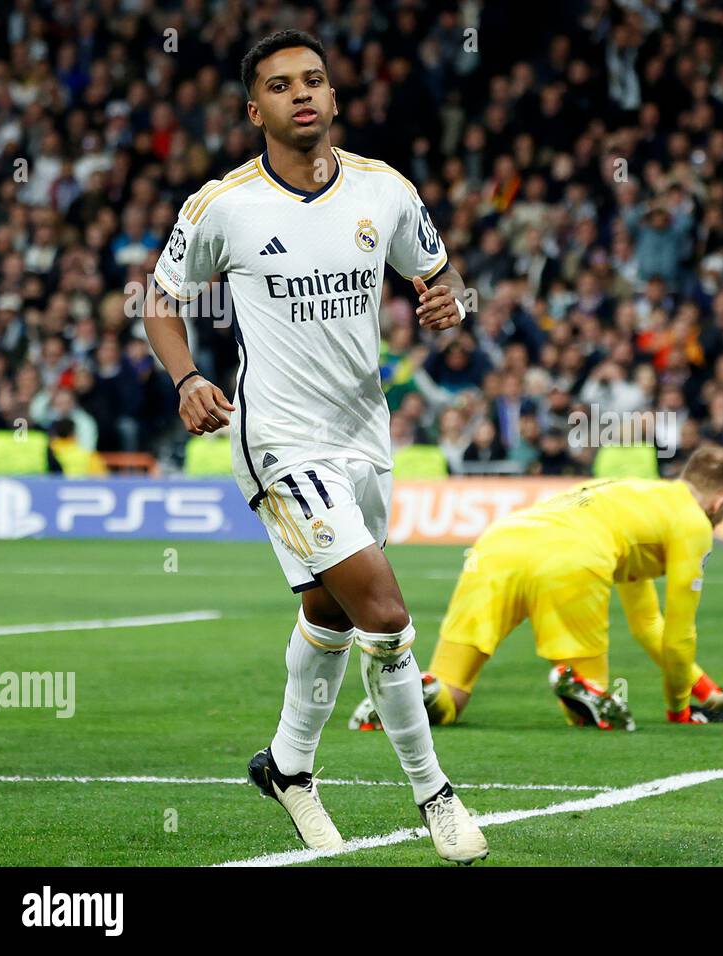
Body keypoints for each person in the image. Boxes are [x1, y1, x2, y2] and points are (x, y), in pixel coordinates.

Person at [144, 30, 487, 863]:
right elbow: (161, 299)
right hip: (279, 441)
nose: (301, 95)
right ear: (251, 108)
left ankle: (288, 767)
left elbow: (438, 276)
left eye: (314, 81)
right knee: (387, 613)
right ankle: (435, 795)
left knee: (328, 611)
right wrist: (188, 377)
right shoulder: (223, 205)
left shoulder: (387, 192)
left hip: (363, 437)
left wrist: (448, 304)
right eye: (279, 85)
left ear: (334, 99)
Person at [352, 445, 723, 731]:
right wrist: (681, 710)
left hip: (499, 543)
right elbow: (677, 631)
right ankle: (583, 688)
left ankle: (414, 695)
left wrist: (708, 692)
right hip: (572, 558)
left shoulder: (638, 495)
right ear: (721, 503)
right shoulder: (693, 524)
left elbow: (648, 624)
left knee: (453, 690)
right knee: (595, 711)